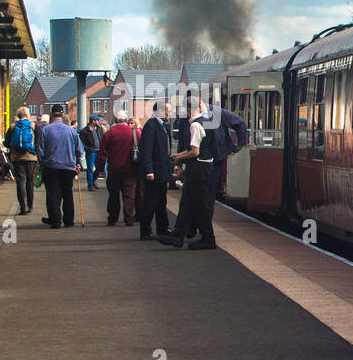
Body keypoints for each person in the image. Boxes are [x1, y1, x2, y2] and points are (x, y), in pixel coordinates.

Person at [158, 95, 246, 250]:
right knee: (190, 199)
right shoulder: (196, 121)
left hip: (206, 164)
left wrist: (238, 145)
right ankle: (182, 234)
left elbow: (194, 150)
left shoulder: (207, 118)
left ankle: (202, 236)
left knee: (200, 201)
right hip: (202, 163)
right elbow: (186, 142)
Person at [37, 104, 84, 228]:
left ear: (52, 115)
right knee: (67, 193)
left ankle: (55, 219)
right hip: (68, 167)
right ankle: (69, 220)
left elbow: (40, 150)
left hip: (51, 166)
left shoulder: (45, 130)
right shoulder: (71, 131)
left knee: (53, 193)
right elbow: (79, 149)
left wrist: (42, 162)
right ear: (63, 115)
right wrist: (77, 162)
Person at [137, 100, 174, 241]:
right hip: (154, 171)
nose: (169, 114)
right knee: (150, 203)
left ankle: (163, 228)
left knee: (161, 202)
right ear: (160, 111)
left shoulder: (161, 125)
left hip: (162, 170)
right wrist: (148, 170)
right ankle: (145, 231)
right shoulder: (151, 126)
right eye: (167, 111)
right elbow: (146, 150)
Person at [102, 110, 139, 227]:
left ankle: (112, 219)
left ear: (115, 120)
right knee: (129, 195)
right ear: (126, 120)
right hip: (130, 169)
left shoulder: (108, 134)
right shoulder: (133, 133)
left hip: (113, 169)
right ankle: (129, 218)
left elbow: (102, 154)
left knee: (113, 195)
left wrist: (100, 170)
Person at [5, 106, 38, 215]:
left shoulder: (13, 127)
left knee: (20, 181)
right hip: (31, 157)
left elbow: (6, 143)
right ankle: (30, 206)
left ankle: (22, 207)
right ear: (27, 115)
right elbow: (38, 142)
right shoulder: (33, 126)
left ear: (18, 116)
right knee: (30, 181)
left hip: (17, 158)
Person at [78, 112, 104, 191]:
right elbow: (81, 142)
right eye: (97, 120)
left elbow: (102, 139)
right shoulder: (84, 131)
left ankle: (93, 181)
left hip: (99, 151)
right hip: (91, 152)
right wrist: (87, 148)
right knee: (90, 168)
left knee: (99, 167)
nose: (99, 122)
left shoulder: (99, 129)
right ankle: (90, 184)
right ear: (93, 121)